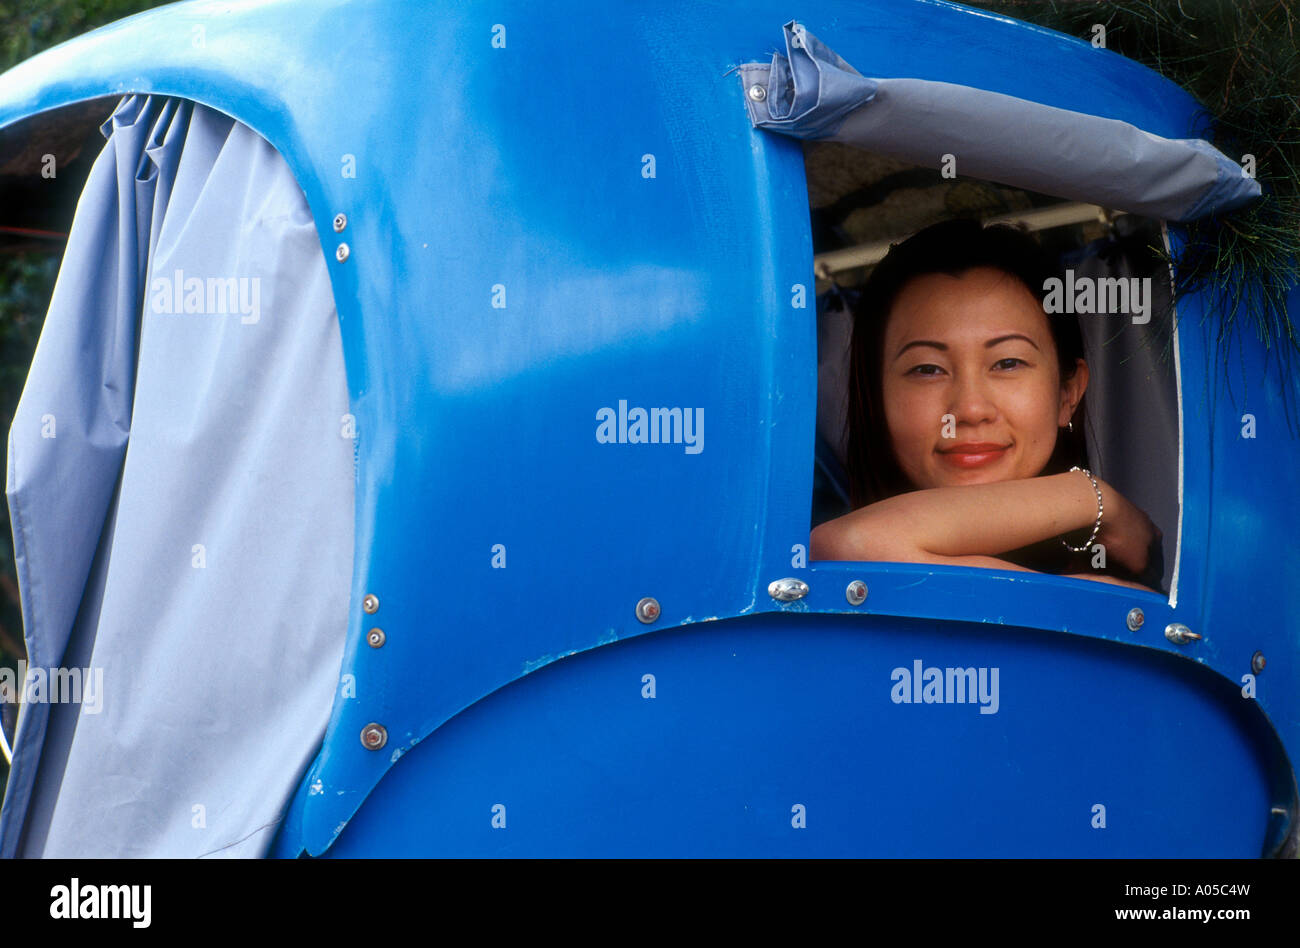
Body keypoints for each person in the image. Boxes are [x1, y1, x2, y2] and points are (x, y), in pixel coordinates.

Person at [809, 218, 1163, 591]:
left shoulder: (1121, 595)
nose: (971, 410)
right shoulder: (815, 582)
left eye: (1008, 363)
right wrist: (1092, 497)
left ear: (1067, 394)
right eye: (927, 369)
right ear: (876, 399)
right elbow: (850, 545)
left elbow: (854, 544)